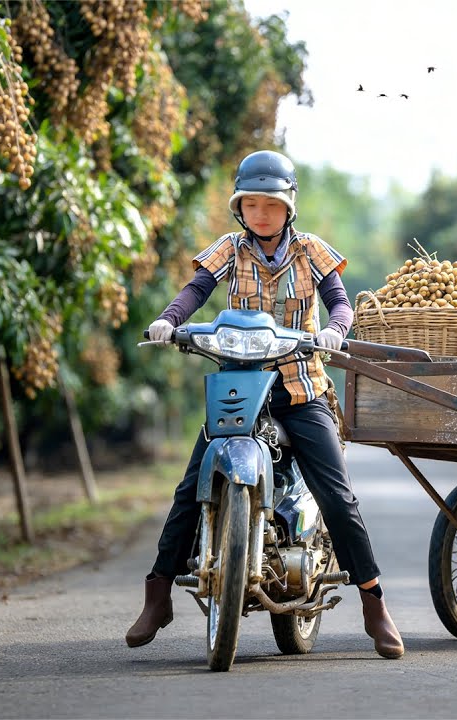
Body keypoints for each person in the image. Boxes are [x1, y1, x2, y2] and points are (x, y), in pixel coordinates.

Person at [125, 150, 404, 660]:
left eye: (270, 205)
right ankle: (159, 592)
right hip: (239, 386)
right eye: (250, 204)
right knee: (190, 487)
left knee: (339, 497)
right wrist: (169, 319)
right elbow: (195, 291)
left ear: (288, 206)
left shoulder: (311, 251)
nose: (260, 214)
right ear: (240, 209)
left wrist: (336, 330)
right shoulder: (230, 250)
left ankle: (373, 604)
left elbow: (340, 301)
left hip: (302, 388)